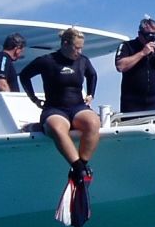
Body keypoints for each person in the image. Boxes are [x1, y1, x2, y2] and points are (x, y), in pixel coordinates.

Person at [19, 27, 100, 181]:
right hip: (54, 109)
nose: (79, 51)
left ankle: (82, 165)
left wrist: (91, 94)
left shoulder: (83, 61)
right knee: (56, 128)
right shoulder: (47, 60)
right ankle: (77, 167)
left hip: (78, 107)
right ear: (65, 44)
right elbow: (24, 75)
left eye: (81, 47)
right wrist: (34, 98)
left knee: (94, 122)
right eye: (76, 47)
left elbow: (93, 75)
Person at [115, 16, 155, 113]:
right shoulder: (127, 46)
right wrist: (142, 53)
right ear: (140, 35)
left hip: (152, 102)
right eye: (149, 36)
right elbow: (120, 66)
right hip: (131, 103)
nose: (152, 40)